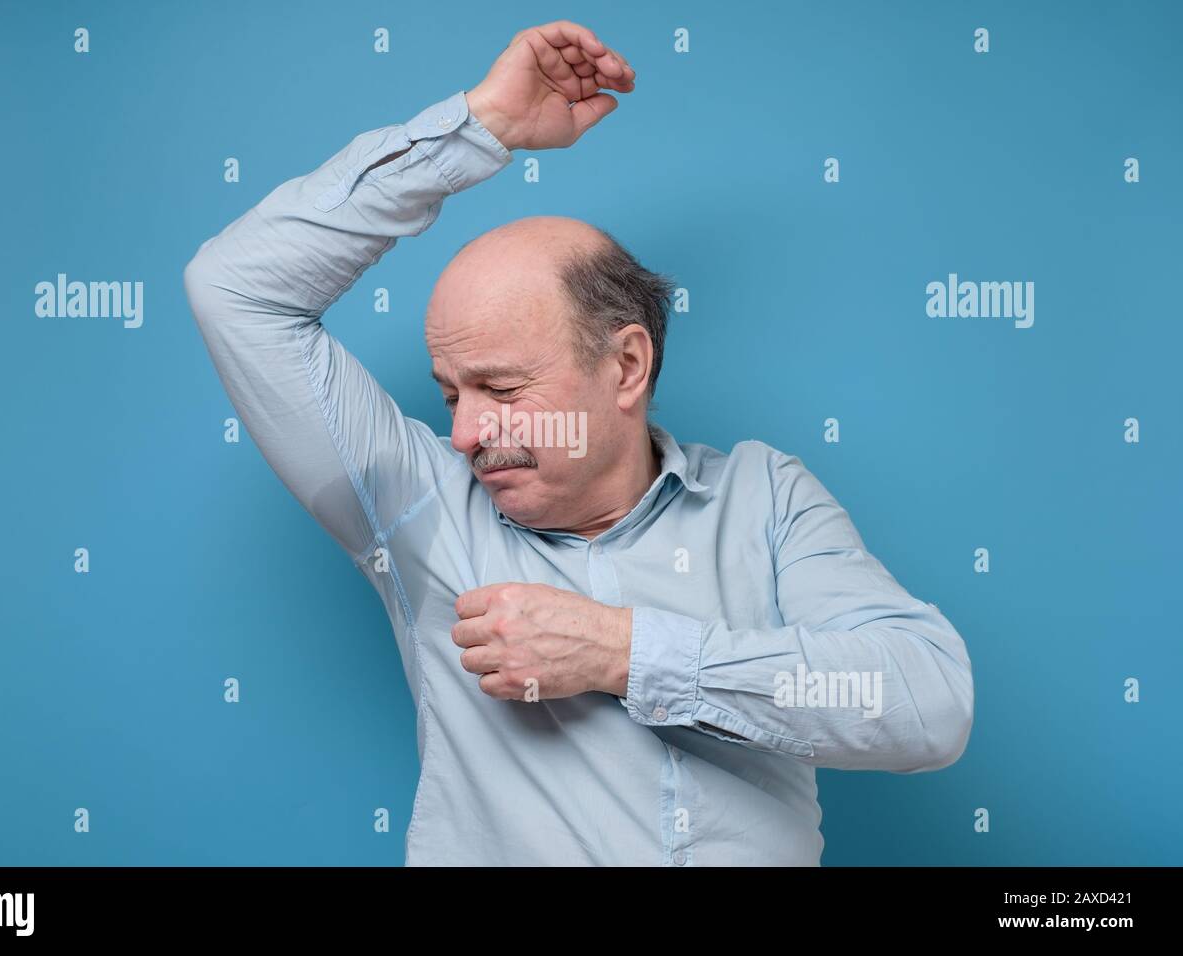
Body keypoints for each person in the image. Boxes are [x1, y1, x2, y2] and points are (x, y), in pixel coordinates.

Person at [183, 20, 974, 866]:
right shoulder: (418, 509)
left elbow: (927, 703)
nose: (463, 433)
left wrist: (620, 652)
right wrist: (481, 127)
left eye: (501, 388)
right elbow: (234, 288)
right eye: (450, 394)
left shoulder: (765, 498)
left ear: (626, 365)